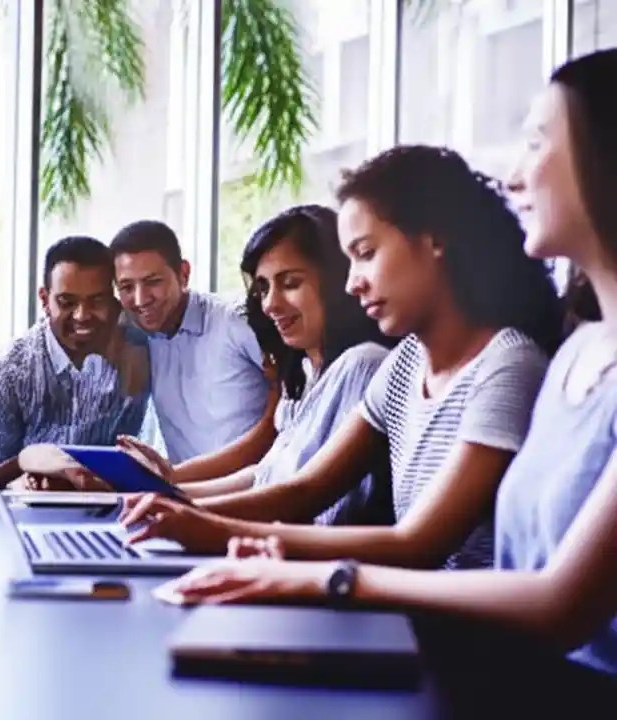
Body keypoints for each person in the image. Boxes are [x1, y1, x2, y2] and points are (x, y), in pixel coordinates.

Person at [155, 48, 617, 699]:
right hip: (490, 665)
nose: (515, 178)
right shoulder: (576, 354)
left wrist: (319, 575)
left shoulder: (513, 364)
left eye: (538, 142)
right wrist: (208, 526)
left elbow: (555, 601)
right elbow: (307, 489)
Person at [120, 144, 563, 571]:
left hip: (453, 632)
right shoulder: (404, 363)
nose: (353, 284)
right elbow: (306, 489)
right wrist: (171, 510)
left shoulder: (507, 367)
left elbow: (418, 544)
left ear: (434, 241)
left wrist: (212, 529)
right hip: (398, 610)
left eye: (366, 254)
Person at [119, 205, 393, 526]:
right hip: (271, 544)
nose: (270, 304)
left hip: (313, 559)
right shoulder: (304, 373)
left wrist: (183, 511)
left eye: (290, 283)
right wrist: (159, 494)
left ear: (338, 280)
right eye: (263, 287)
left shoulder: (364, 366)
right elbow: (264, 476)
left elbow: (302, 496)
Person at [0, 236, 149, 488]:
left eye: (97, 301)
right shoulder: (10, 370)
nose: (82, 316)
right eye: (67, 303)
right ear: (44, 300)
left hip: (117, 506)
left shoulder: (142, 349)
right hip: (21, 509)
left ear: (115, 301)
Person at [111, 220, 272, 464]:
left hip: (255, 488)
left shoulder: (236, 323)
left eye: (153, 281)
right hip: (185, 493)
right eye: (126, 287)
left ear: (183, 274)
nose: (141, 299)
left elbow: (292, 395)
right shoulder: (133, 334)